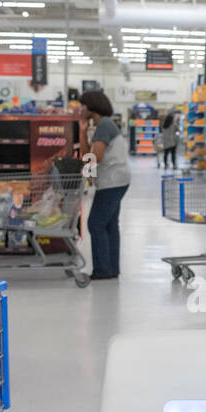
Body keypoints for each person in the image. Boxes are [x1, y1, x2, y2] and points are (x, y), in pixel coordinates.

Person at [79, 89, 130, 280]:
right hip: (116, 180)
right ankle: (111, 269)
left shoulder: (104, 125)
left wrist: (88, 174)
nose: (80, 109)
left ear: (92, 107)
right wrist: (82, 131)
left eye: (83, 106)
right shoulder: (101, 125)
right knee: (109, 224)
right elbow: (87, 156)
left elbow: (96, 157)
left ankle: (102, 270)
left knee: (96, 223)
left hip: (112, 180)